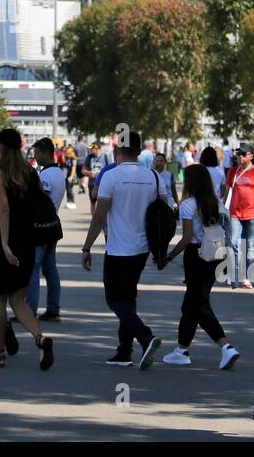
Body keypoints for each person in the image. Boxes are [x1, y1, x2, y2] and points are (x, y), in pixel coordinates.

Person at [81, 132, 170, 369]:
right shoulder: (153, 176)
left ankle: (145, 336)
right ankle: (125, 351)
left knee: (113, 299)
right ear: (139, 151)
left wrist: (87, 246)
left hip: (119, 248)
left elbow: (99, 215)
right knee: (128, 299)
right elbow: (165, 210)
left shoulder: (111, 176)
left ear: (117, 151)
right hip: (142, 249)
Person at [0, 130, 54, 370]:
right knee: (19, 300)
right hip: (28, 241)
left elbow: (3, 209)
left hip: (5, 242)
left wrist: (3, 243)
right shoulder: (29, 172)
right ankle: (40, 338)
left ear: (3, 148)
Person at [162, 164, 239, 370]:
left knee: (199, 305)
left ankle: (225, 346)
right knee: (192, 305)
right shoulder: (215, 203)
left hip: (195, 256)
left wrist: (169, 256)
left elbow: (186, 238)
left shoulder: (188, 205)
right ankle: (182, 350)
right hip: (215, 255)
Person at [225, 144, 254, 289]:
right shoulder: (233, 171)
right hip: (235, 214)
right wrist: (221, 209)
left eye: (244, 154)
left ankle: (245, 276)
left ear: (251, 156)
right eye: (239, 154)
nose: (240, 157)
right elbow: (226, 194)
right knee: (233, 243)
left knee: (251, 246)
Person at [27, 137, 64, 322]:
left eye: (38, 153)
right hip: (52, 226)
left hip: (40, 227)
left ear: (47, 153)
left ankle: (30, 310)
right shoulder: (58, 173)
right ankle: (53, 308)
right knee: (50, 269)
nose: (35, 156)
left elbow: (40, 200)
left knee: (33, 268)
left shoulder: (46, 176)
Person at [62, 145, 79, 210]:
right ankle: (68, 202)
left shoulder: (73, 159)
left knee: (69, 189)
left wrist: (71, 177)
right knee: (67, 189)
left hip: (71, 176)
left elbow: (73, 168)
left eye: (67, 152)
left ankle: (72, 202)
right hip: (66, 175)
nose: (65, 153)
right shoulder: (67, 158)